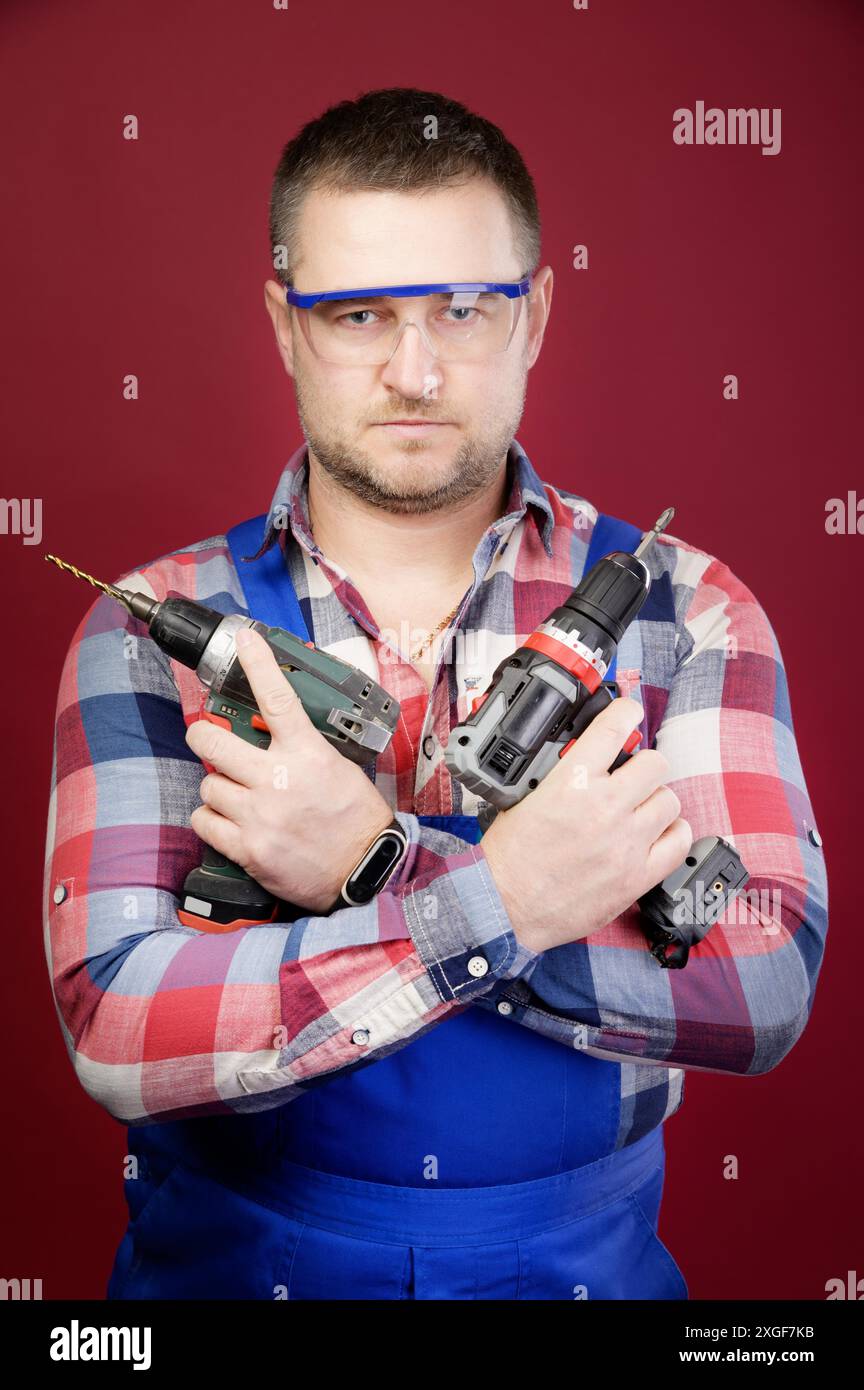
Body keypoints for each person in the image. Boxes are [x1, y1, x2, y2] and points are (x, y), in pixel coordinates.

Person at [43, 86, 828, 1301]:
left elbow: (764, 981)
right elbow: (121, 1028)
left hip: (582, 1273)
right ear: (282, 324)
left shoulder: (691, 613)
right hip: (240, 1268)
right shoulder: (145, 631)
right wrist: (519, 897)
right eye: (357, 313)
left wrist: (376, 863)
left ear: (537, 314)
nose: (415, 370)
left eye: (465, 307)